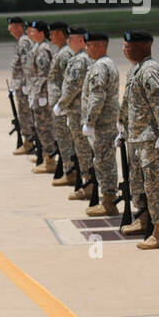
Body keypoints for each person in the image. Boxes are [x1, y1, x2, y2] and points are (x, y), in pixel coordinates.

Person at [117, 30, 159, 250]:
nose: (124, 48)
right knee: (138, 183)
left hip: (152, 140)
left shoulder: (150, 71)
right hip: (137, 138)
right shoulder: (135, 70)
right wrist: (122, 123)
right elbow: (128, 101)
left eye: (128, 45)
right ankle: (144, 219)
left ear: (142, 46)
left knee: (156, 185)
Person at [80, 33, 121, 218]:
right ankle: (108, 199)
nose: (87, 48)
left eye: (89, 45)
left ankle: (108, 202)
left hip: (102, 123)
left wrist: (90, 121)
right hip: (108, 121)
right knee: (106, 160)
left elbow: (97, 97)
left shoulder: (100, 67)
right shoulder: (108, 63)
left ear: (99, 46)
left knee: (103, 162)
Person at [56, 27, 94, 201]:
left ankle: (89, 186)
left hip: (78, 113)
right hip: (82, 112)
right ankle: (89, 183)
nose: (68, 41)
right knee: (85, 150)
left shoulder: (80, 60)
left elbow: (73, 86)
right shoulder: (87, 58)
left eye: (72, 38)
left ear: (81, 40)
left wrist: (61, 104)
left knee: (83, 151)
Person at [44, 22, 77, 187]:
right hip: (59, 103)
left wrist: (63, 103)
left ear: (62, 34)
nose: (50, 37)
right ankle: (69, 169)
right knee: (62, 138)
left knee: (65, 139)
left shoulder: (65, 54)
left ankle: (70, 171)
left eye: (53, 34)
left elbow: (69, 82)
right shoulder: (61, 52)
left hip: (62, 106)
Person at [25, 21, 57, 175]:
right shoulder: (37, 47)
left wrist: (41, 95)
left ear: (41, 33)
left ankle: (50, 159)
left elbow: (45, 75)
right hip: (36, 93)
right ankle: (46, 155)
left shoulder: (43, 49)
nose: (30, 33)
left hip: (42, 94)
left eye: (33, 31)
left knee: (44, 127)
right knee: (40, 126)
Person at [7, 17, 35, 156]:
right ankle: (28, 141)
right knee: (23, 114)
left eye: (11, 26)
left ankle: (29, 142)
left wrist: (26, 84)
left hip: (24, 86)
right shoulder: (21, 41)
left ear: (18, 27)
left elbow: (26, 64)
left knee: (26, 115)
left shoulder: (24, 42)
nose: (9, 29)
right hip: (20, 85)